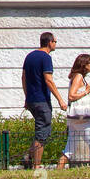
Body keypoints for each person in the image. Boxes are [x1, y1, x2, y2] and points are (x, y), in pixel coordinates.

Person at [21, 32, 67, 169]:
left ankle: (28, 156)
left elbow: (23, 78)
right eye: (55, 42)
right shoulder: (46, 58)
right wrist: (60, 100)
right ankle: (37, 165)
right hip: (42, 101)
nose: (56, 44)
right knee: (42, 133)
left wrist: (27, 97)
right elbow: (48, 80)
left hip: (31, 100)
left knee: (42, 130)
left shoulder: (29, 56)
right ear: (50, 42)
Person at [58, 53, 90, 170]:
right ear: (84, 64)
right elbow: (71, 96)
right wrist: (86, 91)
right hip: (81, 119)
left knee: (70, 148)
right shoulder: (78, 77)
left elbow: (84, 102)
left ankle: (58, 171)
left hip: (75, 119)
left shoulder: (77, 76)